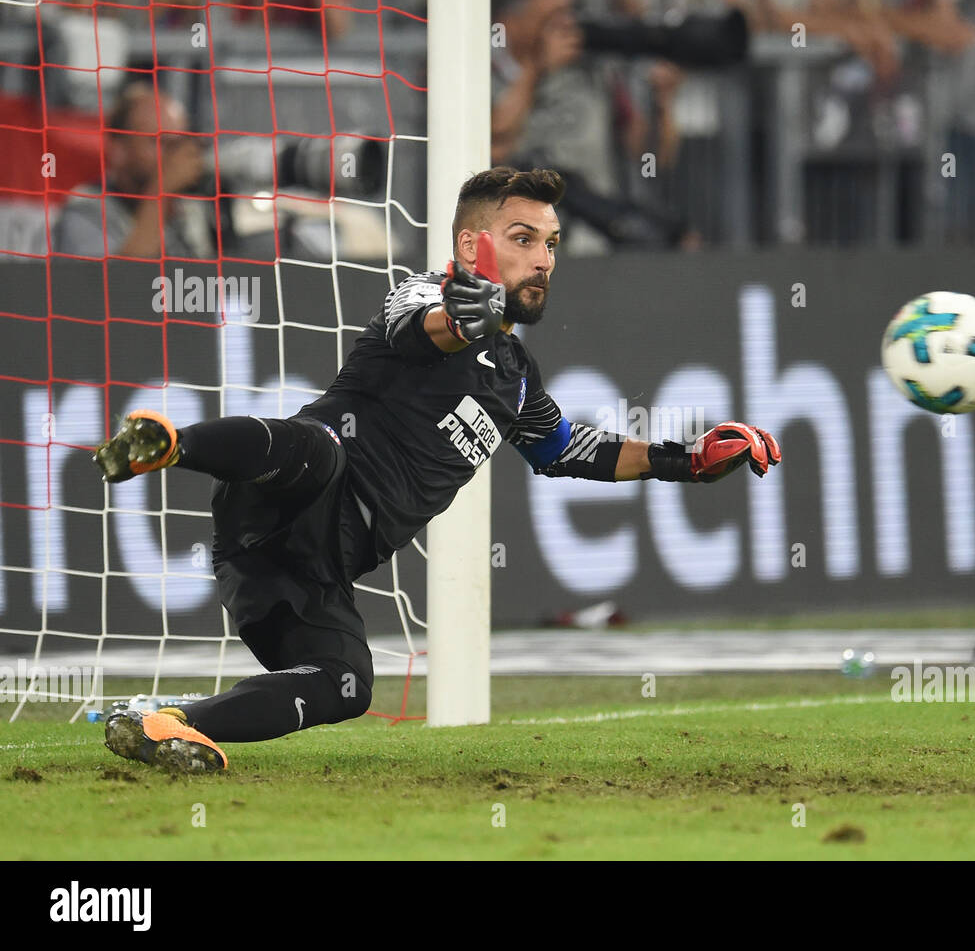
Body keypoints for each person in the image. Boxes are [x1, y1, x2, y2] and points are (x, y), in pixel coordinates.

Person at [93, 166, 781, 773]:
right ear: (469, 246)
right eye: (522, 239)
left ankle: (170, 720)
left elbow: (566, 449)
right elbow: (427, 323)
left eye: (550, 243)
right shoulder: (415, 295)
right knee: (321, 448)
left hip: (295, 569)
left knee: (347, 685)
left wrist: (685, 461)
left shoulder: (514, 380)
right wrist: (462, 313)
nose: (543, 258)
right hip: (282, 495)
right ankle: (171, 445)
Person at [52, 83, 211, 259]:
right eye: (161, 142)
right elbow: (118, 281)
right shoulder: (85, 210)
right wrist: (159, 192)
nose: (173, 156)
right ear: (120, 149)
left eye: (178, 144)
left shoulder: (189, 212)